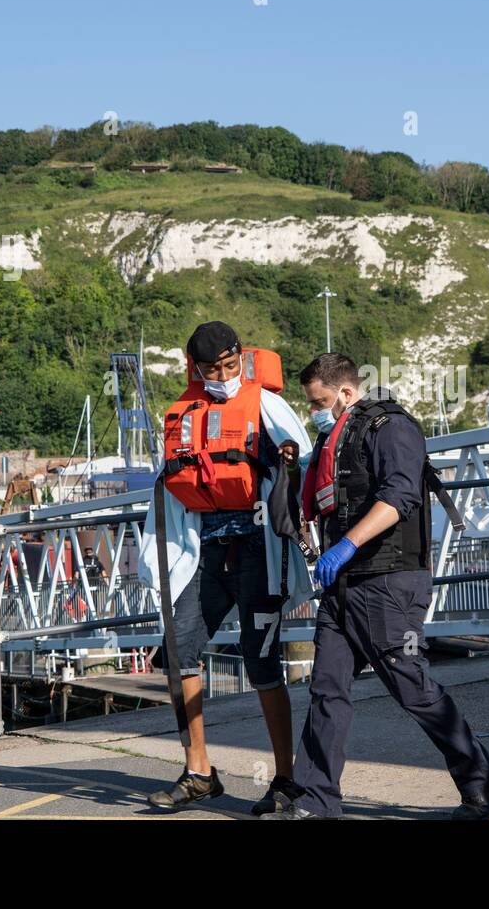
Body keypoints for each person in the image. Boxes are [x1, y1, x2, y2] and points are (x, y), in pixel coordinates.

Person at [263, 352, 489, 820]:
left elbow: (400, 496)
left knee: (410, 685)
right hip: (342, 588)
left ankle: (480, 773)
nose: (315, 410)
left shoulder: (391, 428)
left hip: (389, 581)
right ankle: (316, 802)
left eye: (319, 401)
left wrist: (346, 546)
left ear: (347, 393)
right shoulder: (334, 434)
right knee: (327, 688)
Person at [139, 321, 314, 815]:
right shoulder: (184, 412)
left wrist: (288, 460)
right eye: (213, 369)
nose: (223, 376)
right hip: (206, 556)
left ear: (242, 360)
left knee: (261, 662)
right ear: (195, 368)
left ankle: (285, 779)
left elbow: (301, 456)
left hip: (259, 553)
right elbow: (173, 484)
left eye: (231, 366)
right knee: (180, 654)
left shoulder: (265, 403)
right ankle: (199, 773)